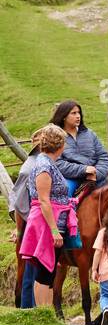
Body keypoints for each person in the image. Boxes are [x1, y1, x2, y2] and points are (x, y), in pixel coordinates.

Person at [19, 124, 82, 309]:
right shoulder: (44, 165)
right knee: (44, 271)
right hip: (46, 224)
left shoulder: (46, 163)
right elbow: (44, 200)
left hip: (50, 222)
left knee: (49, 269)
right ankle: (43, 312)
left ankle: (47, 312)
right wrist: (54, 230)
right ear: (60, 145)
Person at [11, 129, 44, 308]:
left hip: (38, 221)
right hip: (34, 222)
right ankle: (27, 308)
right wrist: (19, 229)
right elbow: (19, 202)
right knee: (30, 267)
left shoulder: (43, 163)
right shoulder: (31, 167)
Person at [51, 100, 108, 193]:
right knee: (64, 192)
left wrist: (97, 174)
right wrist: (84, 170)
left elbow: (104, 157)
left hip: (96, 178)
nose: (78, 116)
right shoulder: (56, 136)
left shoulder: (90, 134)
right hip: (71, 179)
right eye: (73, 113)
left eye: (79, 113)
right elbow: (57, 163)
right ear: (63, 117)